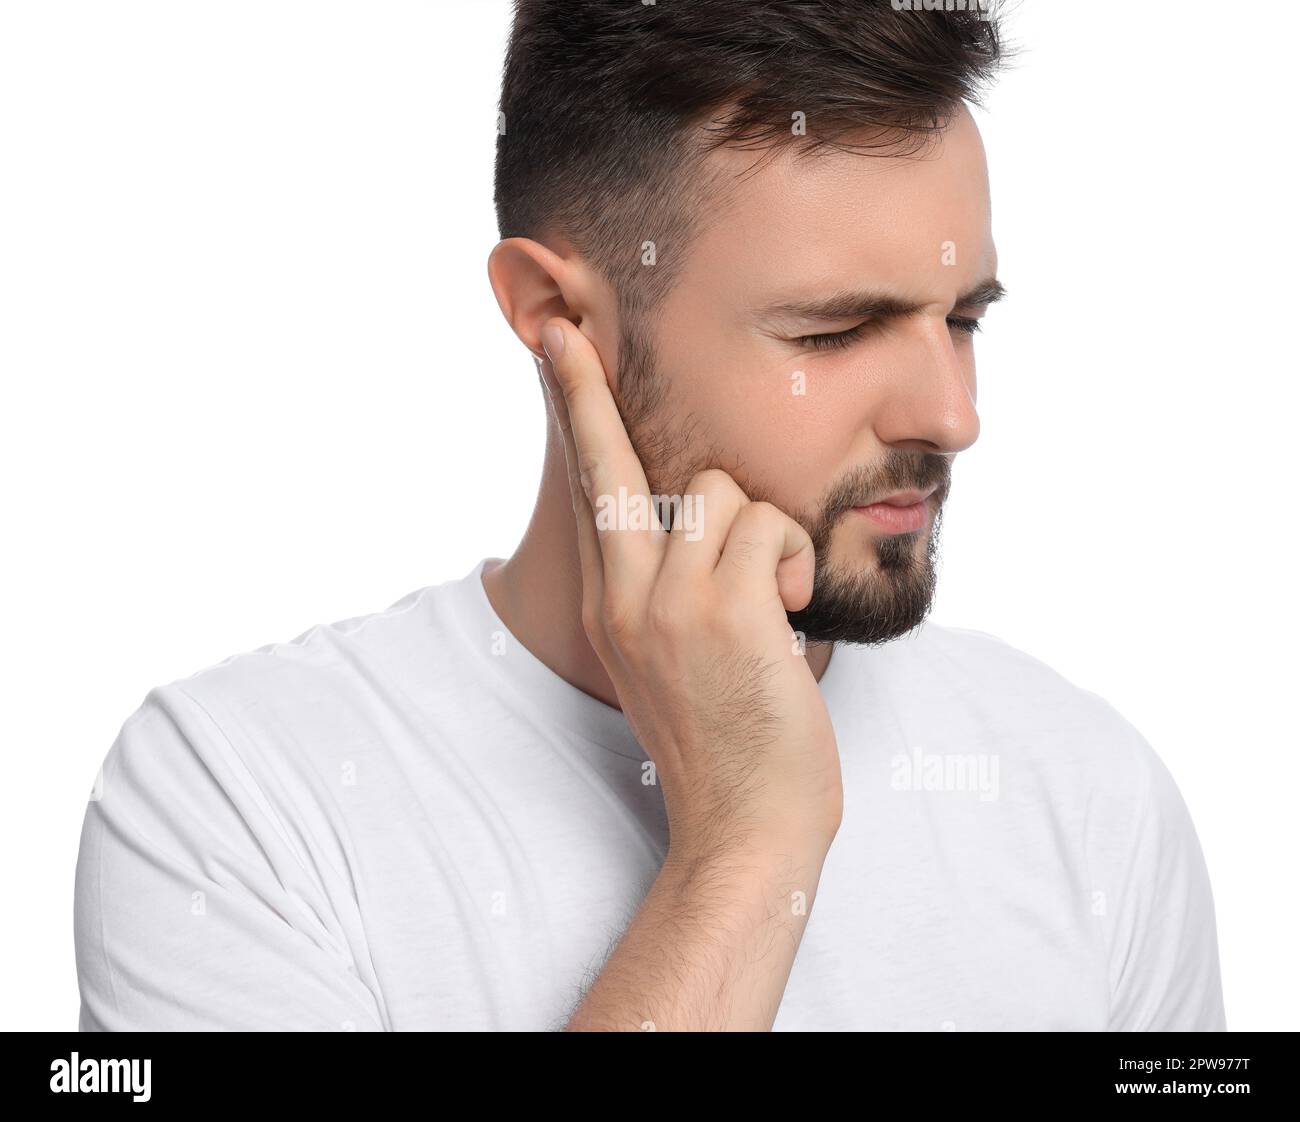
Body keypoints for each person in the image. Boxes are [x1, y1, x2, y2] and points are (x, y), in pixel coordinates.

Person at [74, 0, 1225, 1031]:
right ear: (557, 316)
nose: (952, 415)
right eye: (833, 333)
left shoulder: (1089, 793)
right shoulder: (240, 803)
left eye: (961, 319)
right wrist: (746, 851)